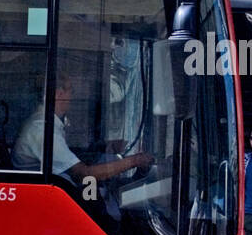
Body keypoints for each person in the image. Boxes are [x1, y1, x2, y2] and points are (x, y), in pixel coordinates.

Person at [12, 70, 155, 188]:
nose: (72, 97)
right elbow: (84, 175)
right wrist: (134, 161)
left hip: (60, 189)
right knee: (98, 199)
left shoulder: (49, 123)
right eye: (71, 91)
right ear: (58, 94)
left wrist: (105, 146)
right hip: (51, 196)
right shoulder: (42, 129)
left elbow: (70, 158)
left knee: (104, 189)